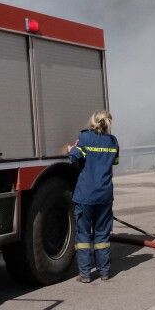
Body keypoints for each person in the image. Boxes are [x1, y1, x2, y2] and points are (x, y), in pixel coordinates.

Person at [66, 110, 120, 282]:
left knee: (83, 235)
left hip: (85, 195)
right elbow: (113, 165)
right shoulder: (113, 141)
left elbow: (74, 158)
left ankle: (85, 274)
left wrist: (70, 148)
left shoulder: (85, 138)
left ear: (93, 121)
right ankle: (104, 272)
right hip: (105, 195)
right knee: (102, 235)